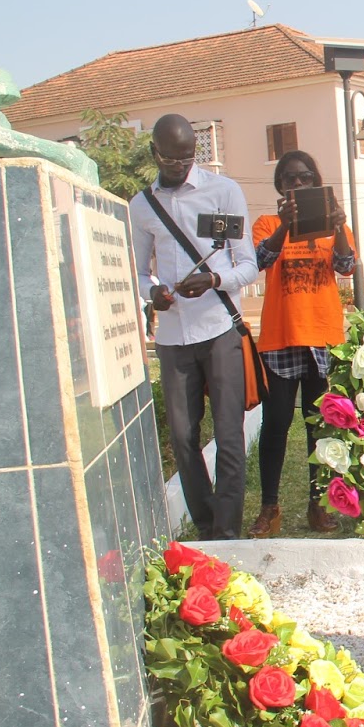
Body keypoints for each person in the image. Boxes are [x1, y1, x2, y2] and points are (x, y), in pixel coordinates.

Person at [130, 114, 258, 539]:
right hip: (172, 336)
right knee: (184, 438)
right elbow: (136, 272)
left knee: (228, 433)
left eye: (187, 158)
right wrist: (153, 294)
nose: (179, 167)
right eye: (170, 159)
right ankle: (207, 527)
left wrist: (214, 279)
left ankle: (227, 533)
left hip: (219, 326)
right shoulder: (142, 207)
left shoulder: (223, 191)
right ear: (154, 153)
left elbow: (247, 265)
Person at [247, 150, 358, 538]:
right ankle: (269, 508)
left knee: (320, 428)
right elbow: (261, 259)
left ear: (316, 182)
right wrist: (286, 226)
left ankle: (318, 504)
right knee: (275, 425)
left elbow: (346, 267)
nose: (298, 184)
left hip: (323, 337)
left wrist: (340, 226)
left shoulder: (332, 228)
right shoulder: (266, 223)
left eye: (305, 177)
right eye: (290, 179)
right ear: (280, 186)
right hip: (281, 338)